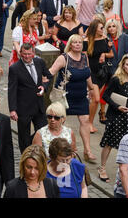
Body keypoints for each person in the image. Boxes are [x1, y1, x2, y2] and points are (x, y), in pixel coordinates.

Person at [49, 34, 96, 163]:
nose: (77, 44)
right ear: (70, 44)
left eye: (79, 42)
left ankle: (87, 150)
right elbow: (51, 71)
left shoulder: (85, 57)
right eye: (74, 42)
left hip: (81, 96)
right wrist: (42, 80)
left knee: (85, 120)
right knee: (60, 122)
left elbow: (87, 74)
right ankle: (56, 149)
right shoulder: (63, 58)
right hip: (65, 96)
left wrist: (91, 88)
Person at [99, 54, 128, 182]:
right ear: (122, 65)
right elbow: (105, 96)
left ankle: (125, 171)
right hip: (115, 116)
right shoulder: (116, 79)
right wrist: (117, 107)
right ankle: (102, 168)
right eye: (127, 64)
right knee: (109, 143)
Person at [8, 43, 53, 153]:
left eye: (29, 54)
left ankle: (32, 145)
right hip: (23, 108)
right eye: (24, 54)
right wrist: (13, 109)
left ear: (33, 53)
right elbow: (12, 89)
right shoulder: (15, 68)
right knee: (23, 136)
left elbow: (49, 76)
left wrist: (44, 86)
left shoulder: (40, 62)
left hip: (38, 106)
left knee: (43, 130)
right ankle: (25, 155)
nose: (27, 57)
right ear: (20, 54)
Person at [99, 19, 128, 123]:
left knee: (121, 91)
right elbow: (102, 52)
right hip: (109, 68)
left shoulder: (124, 37)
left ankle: (119, 111)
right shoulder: (105, 38)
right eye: (109, 26)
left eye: (113, 26)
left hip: (122, 68)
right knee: (106, 90)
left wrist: (126, 65)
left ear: (117, 27)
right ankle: (103, 112)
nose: (111, 28)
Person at [83, 19, 114, 133]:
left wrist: (104, 54)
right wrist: (87, 74)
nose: (103, 30)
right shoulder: (86, 41)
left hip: (102, 73)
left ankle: (89, 121)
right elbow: (84, 59)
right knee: (96, 99)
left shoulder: (105, 39)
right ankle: (89, 123)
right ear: (95, 28)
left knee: (94, 100)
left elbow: (111, 54)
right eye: (101, 28)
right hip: (91, 72)